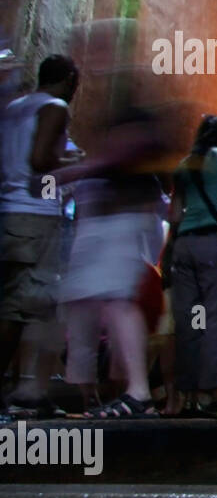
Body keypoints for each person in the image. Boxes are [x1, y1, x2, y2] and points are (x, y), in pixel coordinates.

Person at [55, 106, 167, 418]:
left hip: (120, 224)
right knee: (88, 307)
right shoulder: (108, 168)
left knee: (118, 303)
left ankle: (139, 392)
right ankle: (103, 396)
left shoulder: (128, 143)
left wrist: (74, 170)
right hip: (106, 229)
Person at [0, 54, 80, 416]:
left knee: (19, 305)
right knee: (27, 310)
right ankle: (26, 390)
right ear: (68, 78)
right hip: (35, 216)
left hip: (11, 212)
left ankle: (25, 389)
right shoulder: (55, 106)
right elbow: (40, 160)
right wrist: (78, 162)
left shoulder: (16, 107)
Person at [166, 115, 217, 418]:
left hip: (184, 246)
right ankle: (210, 396)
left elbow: (175, 215)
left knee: (189, 321)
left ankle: (186, 395)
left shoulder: (184, 164)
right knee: (215, 318)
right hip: (213, 245)